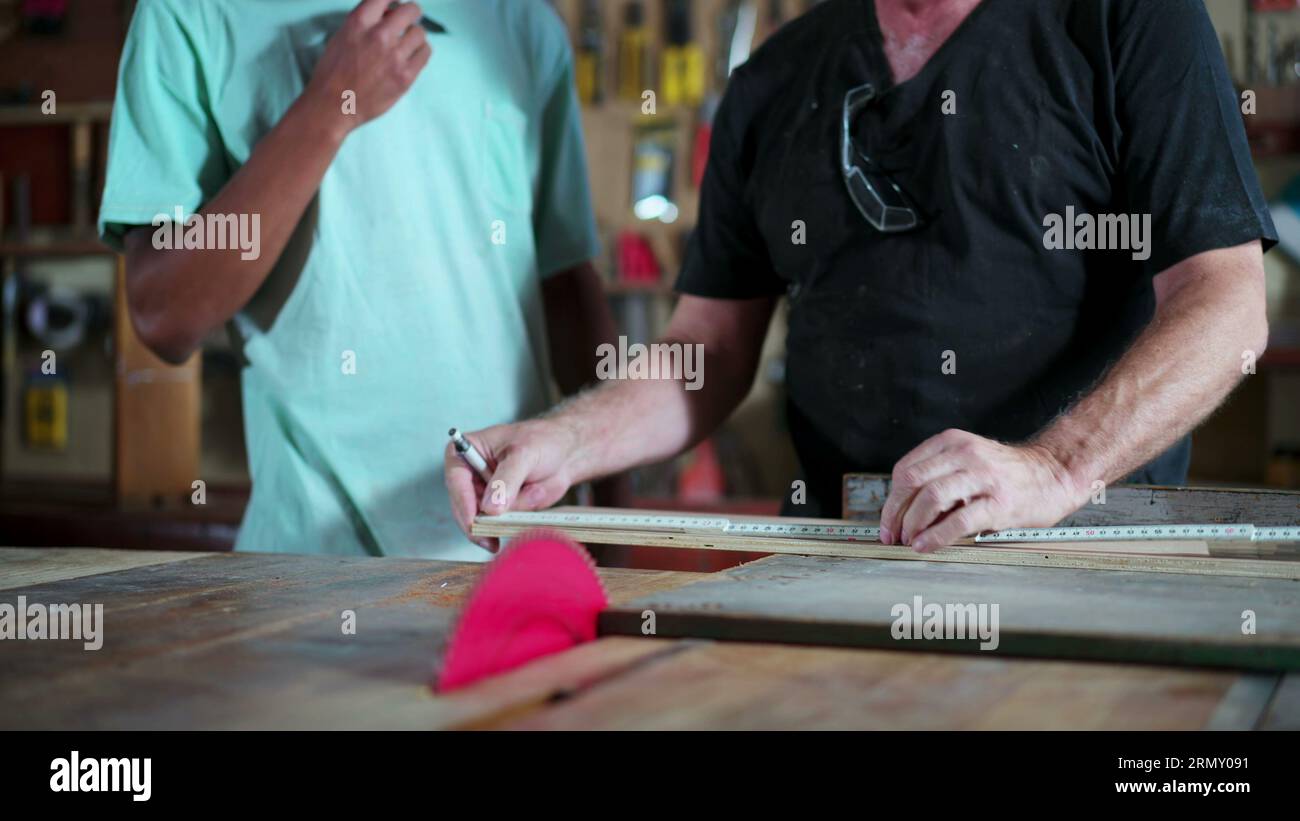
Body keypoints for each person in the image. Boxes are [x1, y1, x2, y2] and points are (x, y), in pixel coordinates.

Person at [446, 0, 1275, 553]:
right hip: (844, 556)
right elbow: (708, 350)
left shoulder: (1130, 20)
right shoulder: (771, 82)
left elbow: (1227, 304)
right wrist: (566, 438)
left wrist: (1051, 469)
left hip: (1085, 549)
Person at [100, 0, 615, 559]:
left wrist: (618, 532)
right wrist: (329, 110)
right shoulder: (189, 14)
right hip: (307, 577)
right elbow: (164, 313)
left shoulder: (522, 21)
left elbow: (563, 286)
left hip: (511, 567)